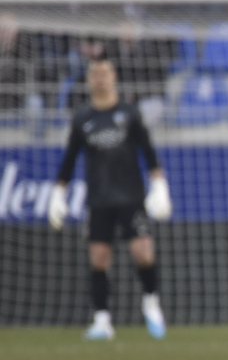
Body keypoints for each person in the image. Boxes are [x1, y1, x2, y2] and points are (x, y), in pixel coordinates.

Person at [48, 55, 173, 341]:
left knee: (143, 251)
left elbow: (148, 151)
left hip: (130, 196)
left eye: (105, 73)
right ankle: (102, 321)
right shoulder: (82, 118)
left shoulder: (129, 113)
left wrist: (159, 186)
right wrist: (58, 193)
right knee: (99, 258)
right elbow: (69, 159)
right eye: (95, 74)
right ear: (89, 79)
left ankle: (151, 304)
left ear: (114, 77)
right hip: (99, 199)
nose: (101, 78)